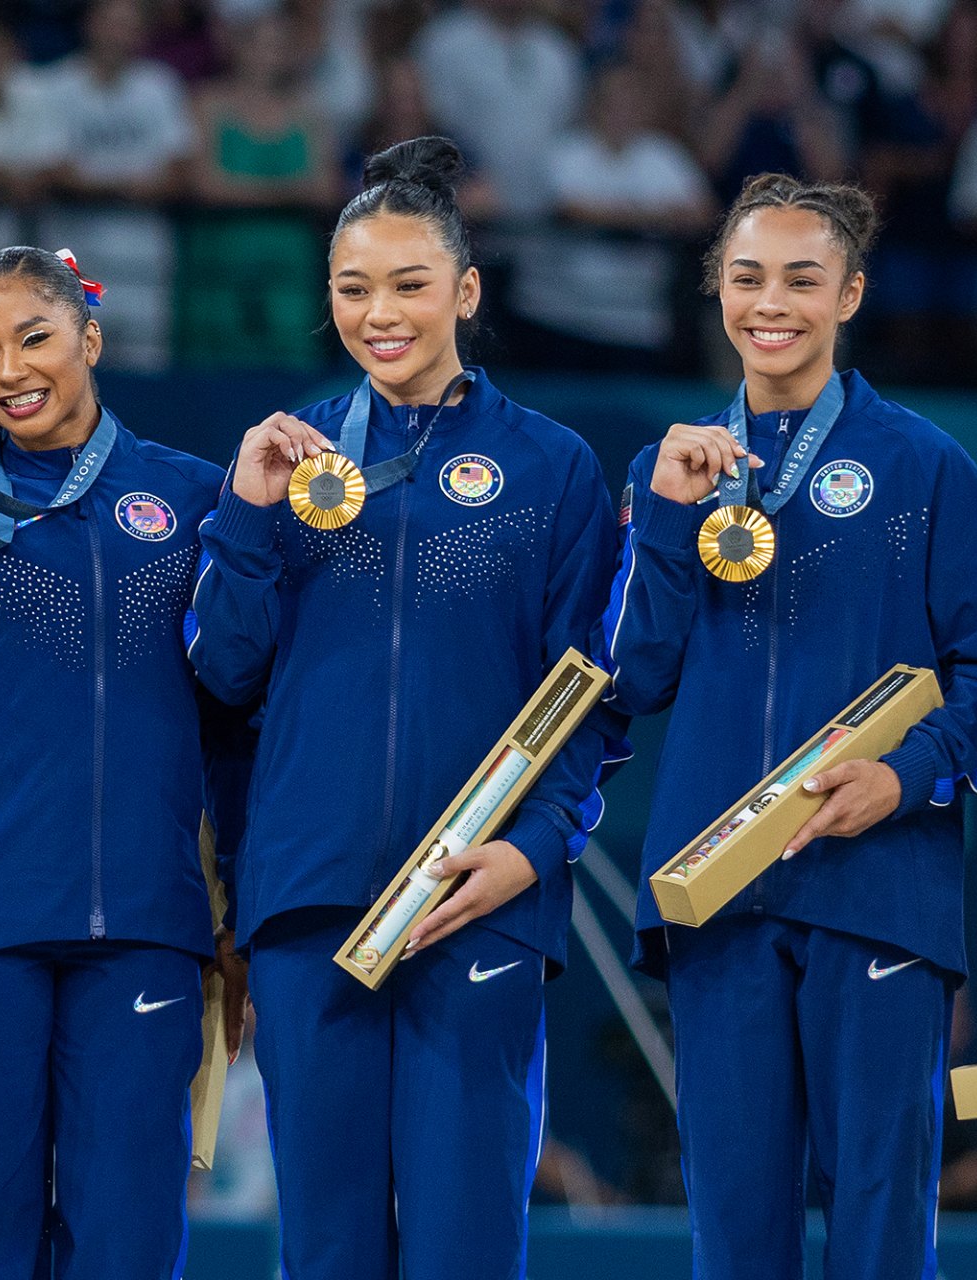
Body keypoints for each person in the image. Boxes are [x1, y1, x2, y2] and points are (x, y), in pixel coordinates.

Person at [187, 136, 621, 1279]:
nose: (378, 312)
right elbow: (223, 676)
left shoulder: (551, 466)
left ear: (465, 291)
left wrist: (528, 852)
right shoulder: (285, 457)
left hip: (476, 898)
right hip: (308, 901)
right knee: (325, 1249)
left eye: (408, 283)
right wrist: (240, 514)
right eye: (351, 287)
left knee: (463, 1246)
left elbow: (584, 700)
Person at [600, 172, 977, 1279]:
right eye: (744, 277)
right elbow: (632, 675)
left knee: (879, 1220)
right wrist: (671, 521)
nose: (768, 301)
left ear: (850, 293)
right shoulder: (668, 470)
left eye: (799, 277)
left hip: (877, 888)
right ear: (715, 291)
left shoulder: (923, 464)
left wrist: (906, 776)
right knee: (734, 1229)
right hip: (714, 890)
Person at [0, 245, 246, 1278]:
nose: (7, 369)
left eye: (33, 338)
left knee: (127, 1243)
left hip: (142, 928)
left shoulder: (193, 498)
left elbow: (234, 710)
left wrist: (236, 905)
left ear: (90, 338)